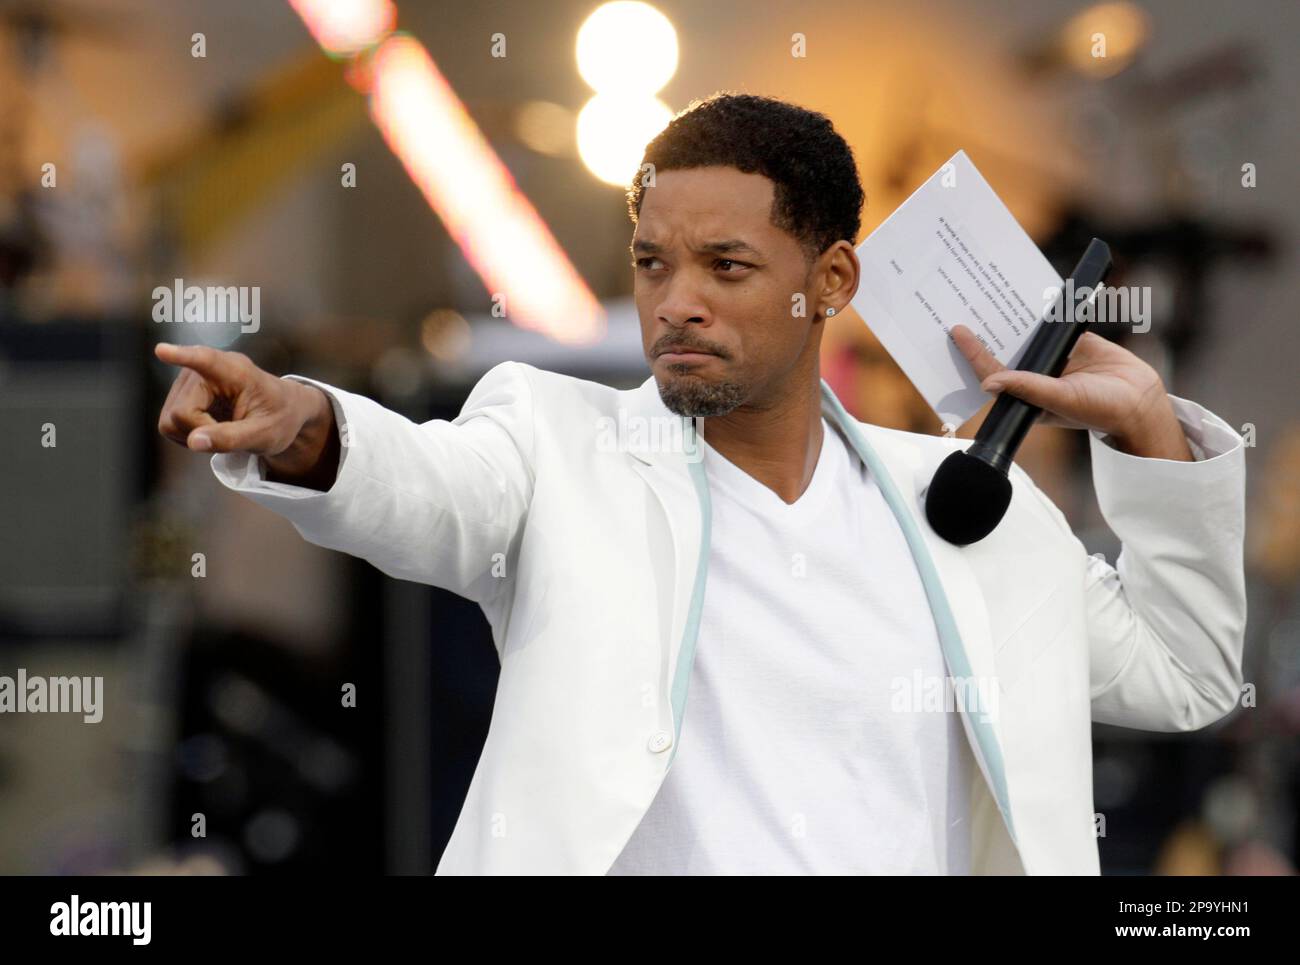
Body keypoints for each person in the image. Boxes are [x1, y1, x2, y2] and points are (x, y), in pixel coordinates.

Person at [155, 92, 1247, 875]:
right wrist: (308, 424)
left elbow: (1186, 673)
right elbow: (426, 484)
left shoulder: (964, 503)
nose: (675, 300)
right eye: (650, 262)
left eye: (725, 266)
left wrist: (1150, 427)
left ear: (829, 282)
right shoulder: (553, 443)